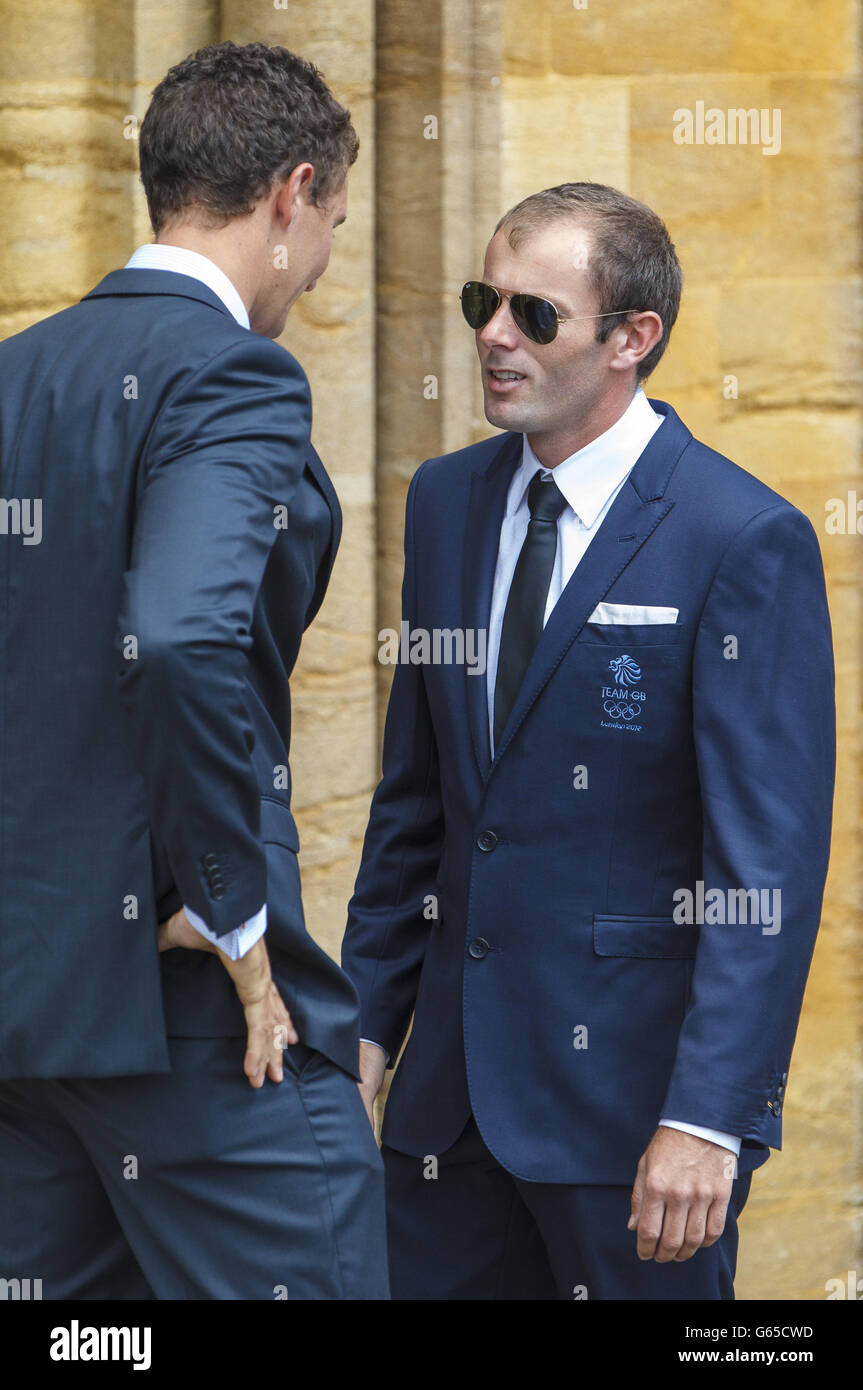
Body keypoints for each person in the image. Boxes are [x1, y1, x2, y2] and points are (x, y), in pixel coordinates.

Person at [342, 182, 835, 1300]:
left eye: (533, 313)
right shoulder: (444, 501)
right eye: (482, 300)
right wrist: (364, 1031)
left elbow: (763, 870)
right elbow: (414, 802)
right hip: (442, 1119)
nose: (491, 334)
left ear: (632, 339)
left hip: (632, 1128)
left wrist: (708, 1116)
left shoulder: (740, 536)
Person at [0, 40, 388, 1301]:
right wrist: (228, 908)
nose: (323, 265)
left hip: (27, 1013)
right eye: (331, 221)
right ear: (290, 195)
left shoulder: (13, 374)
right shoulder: (233, 372)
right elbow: (176, 635)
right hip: (191, 1013)